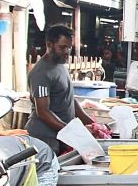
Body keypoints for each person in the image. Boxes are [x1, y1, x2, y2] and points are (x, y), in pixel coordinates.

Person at [25, 24, 102, 154]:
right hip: (45, 138)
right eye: (62, 47)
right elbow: (43, 112)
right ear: (49, 44)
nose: (67, 51)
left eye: (69, 47)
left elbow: (69, 100)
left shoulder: (60, 65)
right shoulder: (41, 73)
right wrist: (72, 131)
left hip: (61, 136)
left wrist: (92, 124)